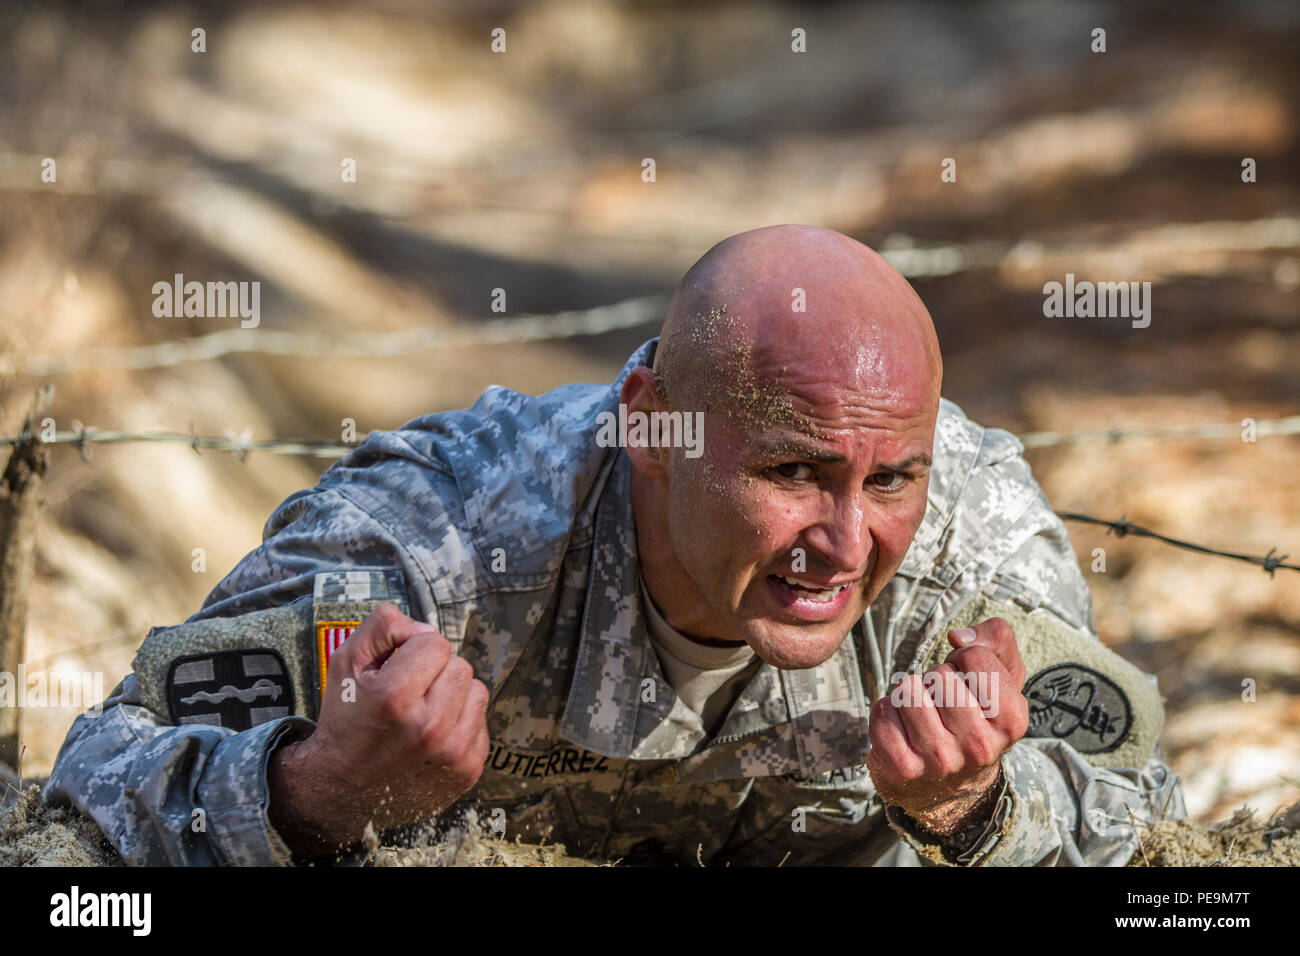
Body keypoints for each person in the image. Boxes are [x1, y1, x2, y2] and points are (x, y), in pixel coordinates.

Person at [43, 224, 1184, 866]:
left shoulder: (967, 543)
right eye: (790, 472)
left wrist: (979, 808)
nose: (844, 542)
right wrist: (306, 792)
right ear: (649, 421)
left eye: (889, 478)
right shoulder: (434, 538)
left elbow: (1166, 858)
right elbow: (82, 813)